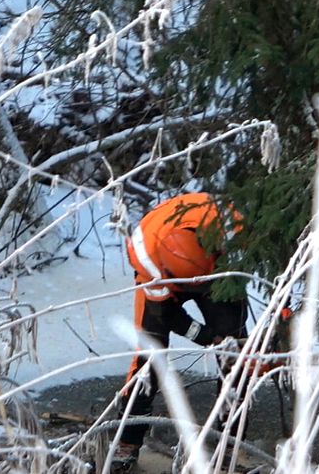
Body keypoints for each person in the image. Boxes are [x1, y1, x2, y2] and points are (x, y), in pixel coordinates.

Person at [111, 192, 246, 470]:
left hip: (217, 272)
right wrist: (206, 337)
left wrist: (223, 336)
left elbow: (262, 257)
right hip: (162, 278)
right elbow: (165, 314)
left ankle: (231, 441)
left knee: (234, 349)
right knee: (149, 358)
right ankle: (127, 442)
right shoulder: (144, 255)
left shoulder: (231, 226)